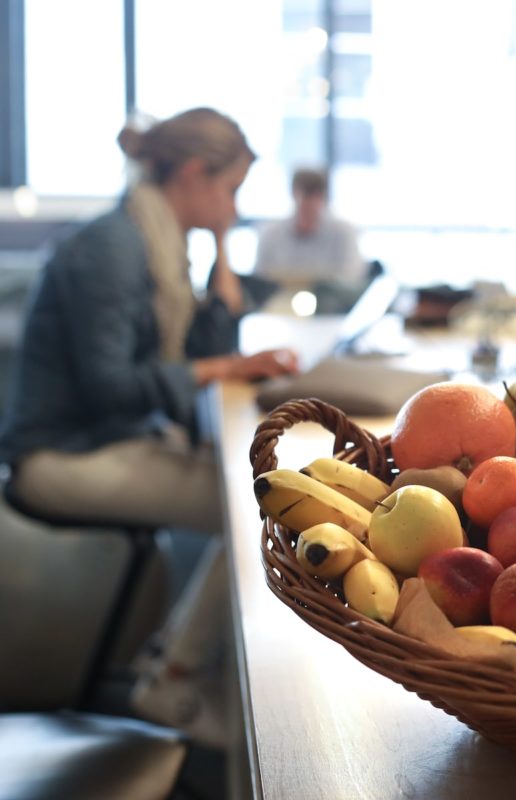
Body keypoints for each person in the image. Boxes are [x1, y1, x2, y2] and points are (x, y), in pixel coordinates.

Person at [0, 107, 299, 746]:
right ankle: (177, 678)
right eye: (230, 189)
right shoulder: (112, 247)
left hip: (113, 437)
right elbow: (111, 384)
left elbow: (200, 348)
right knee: (255, 507)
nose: (234, 205)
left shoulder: (162, 246)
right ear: (193, 173)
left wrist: (221, 247)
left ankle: (178, 666)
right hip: (59, 455)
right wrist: (222, 363)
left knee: (259, 498)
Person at [252, 167, 365, 286]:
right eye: (304, 196)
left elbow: (353, 276)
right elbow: (259, 277)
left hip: (331, 300)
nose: (308, 205)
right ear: (294, 194)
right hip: (281, 300)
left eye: (314, 197)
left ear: (323, 198)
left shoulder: (343, 232)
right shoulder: (271, 233)